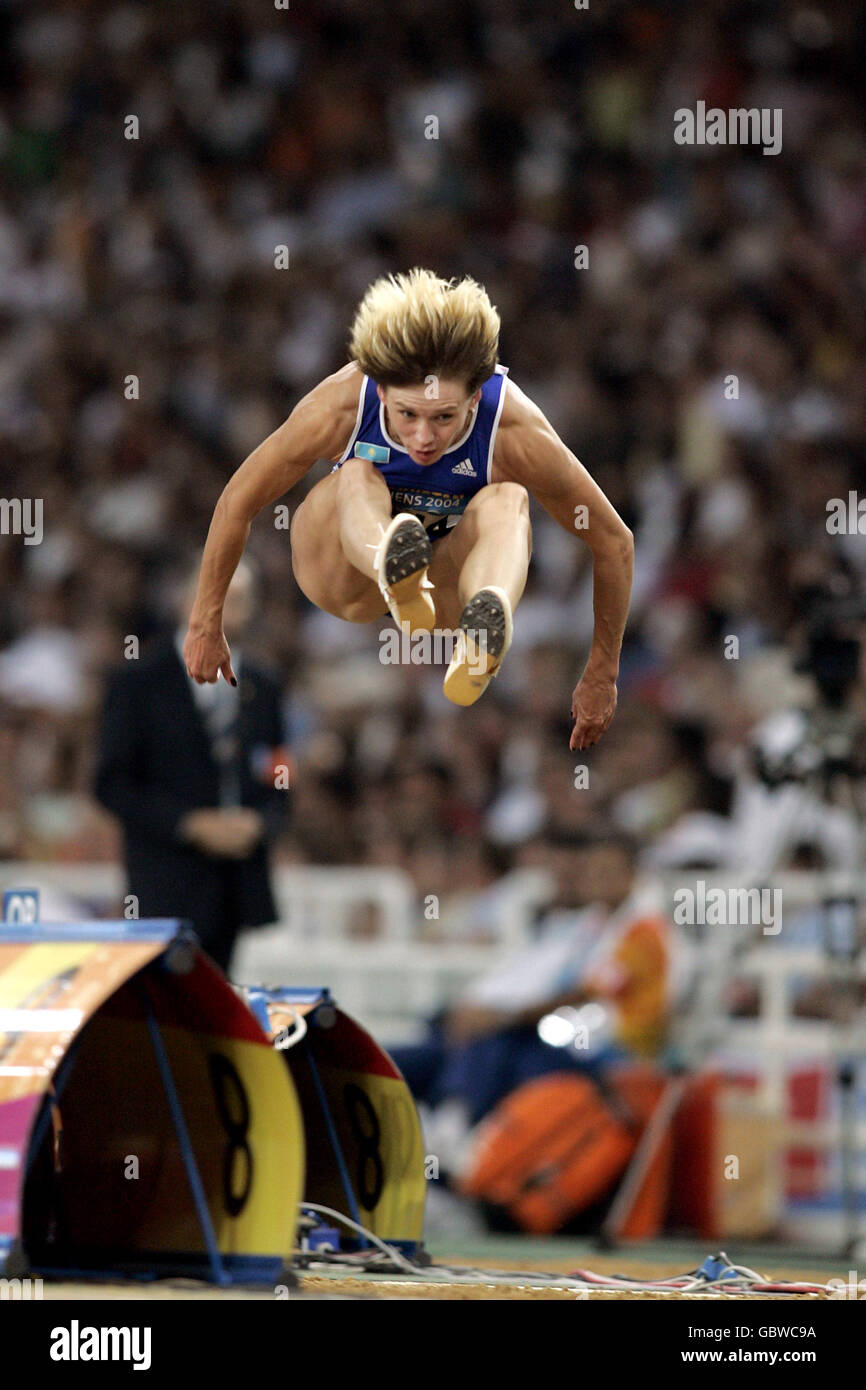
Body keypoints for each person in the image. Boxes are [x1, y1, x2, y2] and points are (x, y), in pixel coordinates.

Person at [183, 270, 633, 751]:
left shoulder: (514, 428)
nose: (424, 438)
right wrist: (205, 621)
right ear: (381, 391)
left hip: (440, 591)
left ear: (475, 397)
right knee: (357, 473)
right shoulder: (340, 404)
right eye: (408, 415)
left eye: (444, 417)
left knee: (509, 499)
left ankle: (484, 626)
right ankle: (390, 561)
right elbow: (238, 501)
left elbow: (614, 541)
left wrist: (602, 674)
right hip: (341, 573)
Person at [94, 562, 289, 973]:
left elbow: (279, 774)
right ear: (190, 600)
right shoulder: (138, 683)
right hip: (165, 881)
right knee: (164, 1004)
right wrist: (190, 824)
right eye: (223, 595)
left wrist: (260, 823)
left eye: (241, 600)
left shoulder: (264, 686)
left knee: (219, 1002)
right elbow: (111, 784)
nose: (233, 610)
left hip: (236, 883)